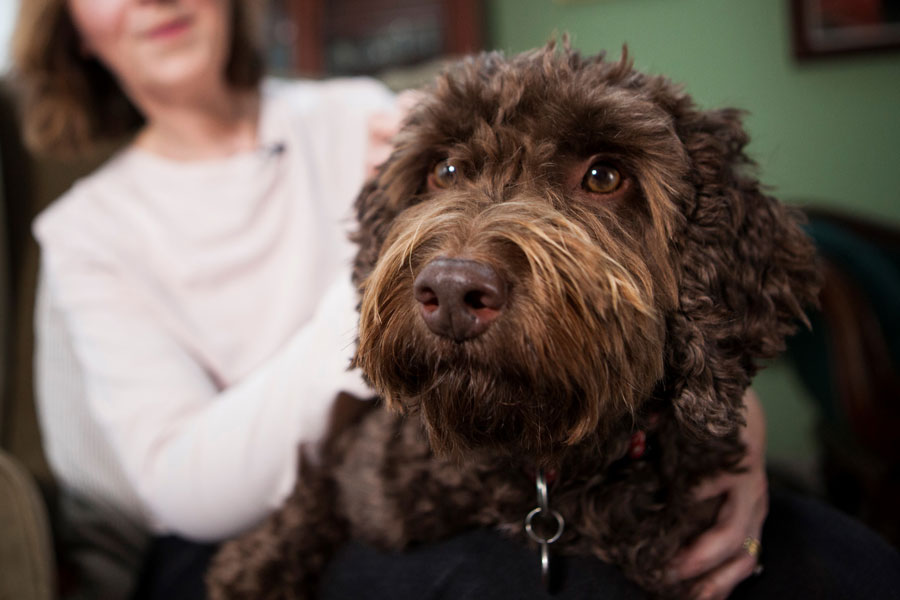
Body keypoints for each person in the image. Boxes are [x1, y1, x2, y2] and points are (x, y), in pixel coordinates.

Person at [13, 1, 775, 599]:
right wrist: (370, 303)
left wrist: (734, 422)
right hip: (239, 525)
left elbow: (667, 257)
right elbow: (184, 489)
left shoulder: (362, 115)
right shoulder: (86, 231)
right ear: (68, 26)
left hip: (527, 444)